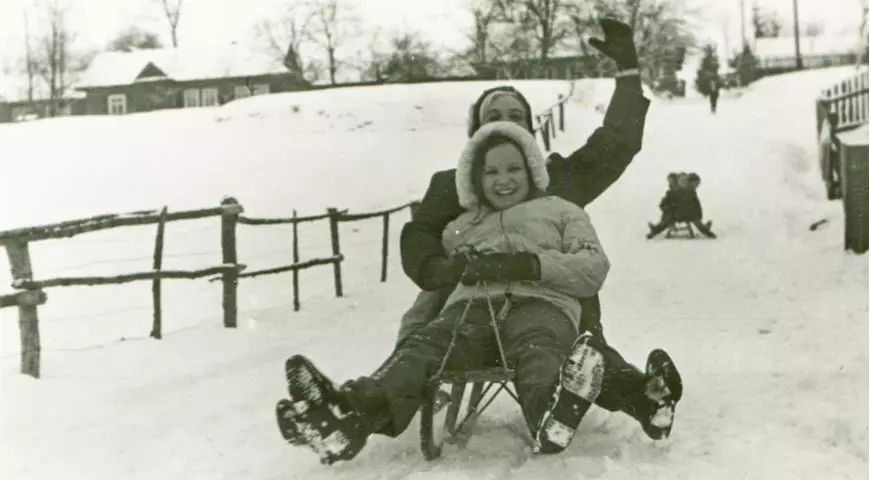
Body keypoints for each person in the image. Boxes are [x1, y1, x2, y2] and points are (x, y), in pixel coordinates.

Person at [276, 121, 683, 464]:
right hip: (471, 312)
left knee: (540, 352)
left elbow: (592, 267)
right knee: (424, 350)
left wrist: (531, 265)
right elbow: (429, 279)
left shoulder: (562, 211)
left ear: (532, 172)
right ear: (475, 178)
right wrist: (433, 300)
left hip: (541, 307)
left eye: (514, 169)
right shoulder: (461, 228)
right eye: (491, 173)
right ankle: (350, 416)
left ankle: (552, 415)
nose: (504, 180)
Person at [397, 17, 649, 346]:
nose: (505, 124)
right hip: (468, 301)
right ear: (475, 133)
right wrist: (436, 268)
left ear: (531, 132)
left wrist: (628, 74)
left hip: (549, 302)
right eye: (493, 117)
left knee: (580, 302)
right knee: (423, 318)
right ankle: (390, 390)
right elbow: (421, 232)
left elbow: (617, 143)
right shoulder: (451, 184)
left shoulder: (558, 179)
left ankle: (609, 373)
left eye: (516, 117)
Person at [647, 172, 716, 239]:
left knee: (667, 219)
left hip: (675, 215)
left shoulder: (672, 192)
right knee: (696, 221)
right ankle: (707, 232)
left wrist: (668, 210)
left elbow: (662, 205)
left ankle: (655, 230)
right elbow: (697, 207)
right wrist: (698, 217)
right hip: (689, 216)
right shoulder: (691, 193)